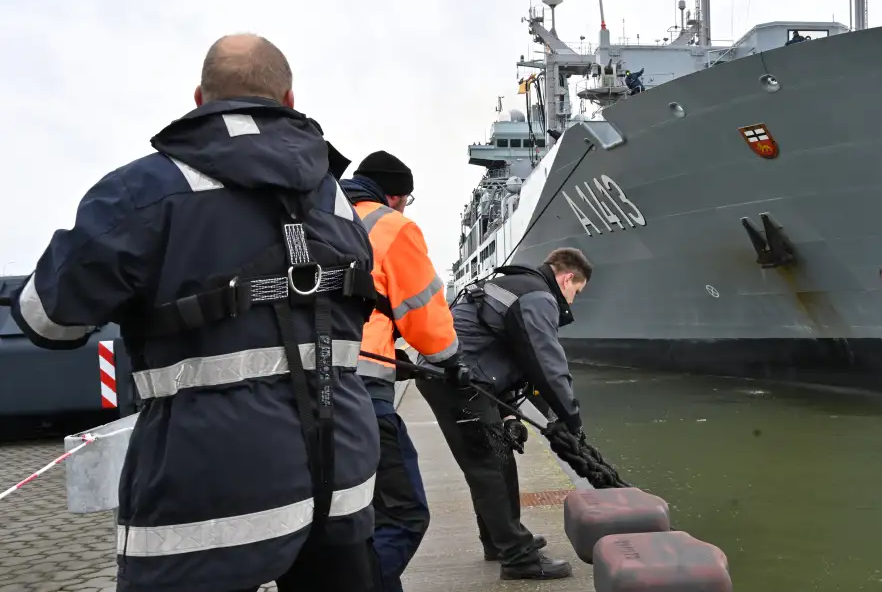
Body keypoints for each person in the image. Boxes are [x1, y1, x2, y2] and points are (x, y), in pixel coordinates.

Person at [4, 33, 391, 592]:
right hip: (339, 481)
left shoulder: (142, 191)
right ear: (288, 99)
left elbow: (47, 318)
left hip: (204, 498)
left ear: (198, 99)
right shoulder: (334, 198)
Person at [414, 247, 593, 581]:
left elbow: (523, 363)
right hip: (460, 381)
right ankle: (518, 557)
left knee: (497, 458)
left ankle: (501, 539)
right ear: (567, 278)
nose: (573, 300)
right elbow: (546, 363)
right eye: (576, 292)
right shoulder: (538, 296)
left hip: (460, 377)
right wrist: (572, 420)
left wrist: (552, 413)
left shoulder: (517, 286)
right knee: (490, 466)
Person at [340, 151, 466, 592]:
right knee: (405, 514)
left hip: (301, 387)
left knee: (352, 518)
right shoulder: (391, 226)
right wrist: (451, 361)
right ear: (395, 196)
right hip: (362, 390)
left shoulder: (321, 217)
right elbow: (427, 320)